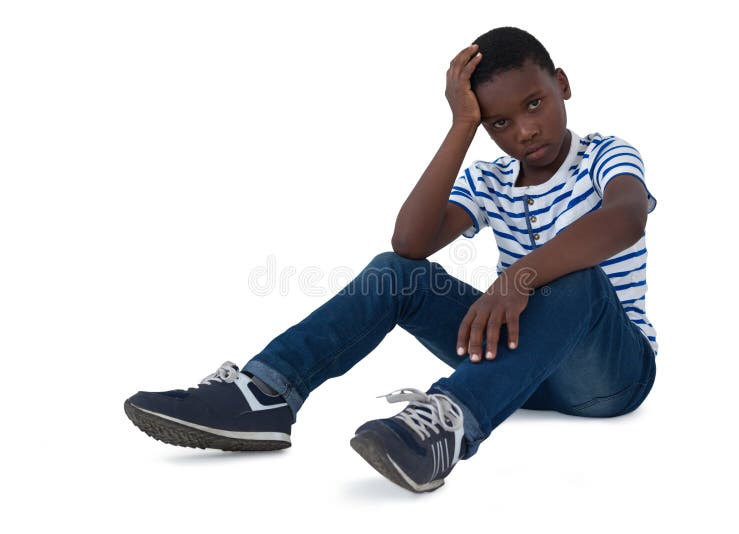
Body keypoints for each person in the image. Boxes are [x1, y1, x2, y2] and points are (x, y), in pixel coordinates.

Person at [124, 26, 658, 494]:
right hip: (519, 373)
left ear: (561, 84)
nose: (523, 130)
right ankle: (264, 395)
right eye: (498, 123)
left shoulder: (604, 155)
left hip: (610, 373)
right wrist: (461, 126)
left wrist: (520, 276)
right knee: (394, 271)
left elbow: (626, 218)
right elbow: (410, 243)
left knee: (577, 280)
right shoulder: (492, 180)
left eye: (534, 104)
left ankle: (448, 425)